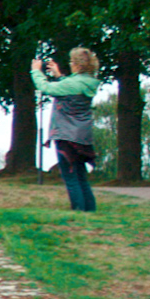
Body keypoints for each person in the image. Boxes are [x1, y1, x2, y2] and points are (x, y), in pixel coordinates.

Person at [33, 48, 102, 212]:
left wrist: (36, 71)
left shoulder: (71, 84)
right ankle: (90, 211)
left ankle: (78, 211)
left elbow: (46, 88)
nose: (70, 65)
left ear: (78, 66)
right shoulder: (88, 82)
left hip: (66, 135)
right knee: (80, 176)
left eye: (72, 62)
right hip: (82, 136)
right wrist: (59, 75)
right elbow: (69, 86)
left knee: (70, 176)